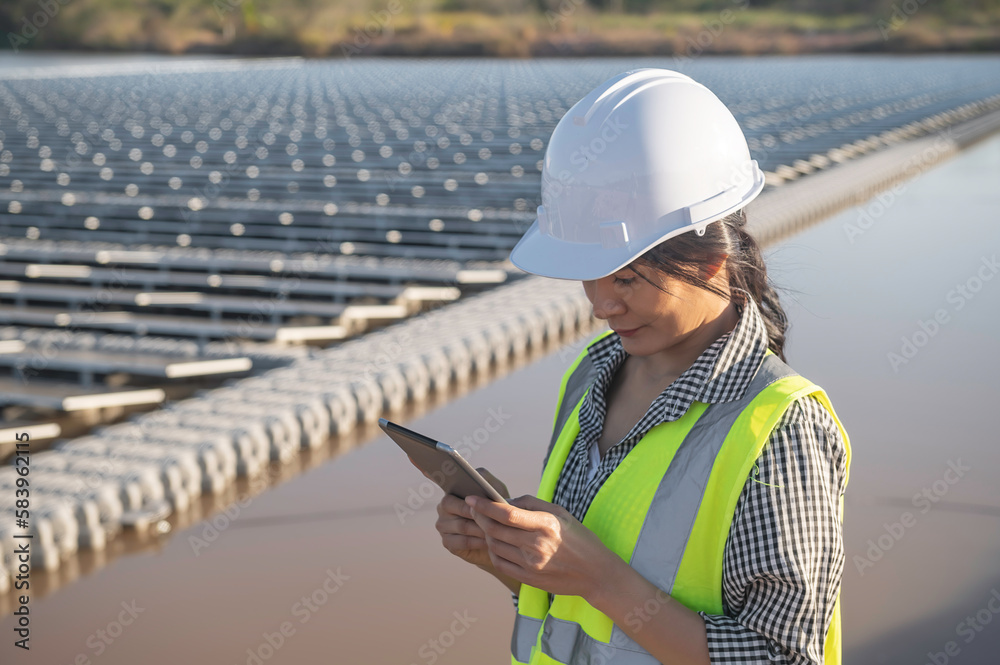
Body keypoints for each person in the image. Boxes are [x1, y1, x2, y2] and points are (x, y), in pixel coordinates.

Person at [431, 68, 852, 665]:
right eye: (590, 275)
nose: (602, 306)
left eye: (626, 278)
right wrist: (507, 557)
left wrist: (598, 577)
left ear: (711, 258)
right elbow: (579, 618)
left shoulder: (780, 431)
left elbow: (781, 657)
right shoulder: (593, 373)